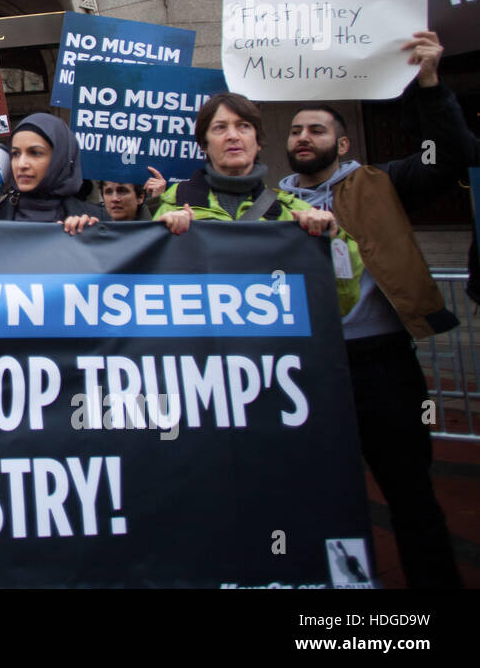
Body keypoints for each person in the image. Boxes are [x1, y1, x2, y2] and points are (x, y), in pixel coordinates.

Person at [277, 30, 465, 589]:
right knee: (319, 499)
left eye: (317, 129)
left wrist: (429, 85)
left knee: (411, 495)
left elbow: (452, 154)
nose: (303, 136)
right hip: (308, 373)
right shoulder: (269, 206)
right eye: (294, 129)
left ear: (343, 144)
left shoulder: (383, 183)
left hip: (383, 367)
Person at [154, 92, 362, 315]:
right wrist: (161, 239)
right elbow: (149, 298)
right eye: (220, 128)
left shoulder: (292, 212)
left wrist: (332, 240)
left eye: (243, 126)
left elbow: (342, 303)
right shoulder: (172, 209)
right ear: (203, 145)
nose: (232, 136)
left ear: (258, 142)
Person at [100, 167, 166, 221]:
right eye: (108, 192)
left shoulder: (155, 231)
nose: (114, 199)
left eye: (122, 191)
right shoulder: (95, 229)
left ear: (140, 197)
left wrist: (157, 201)